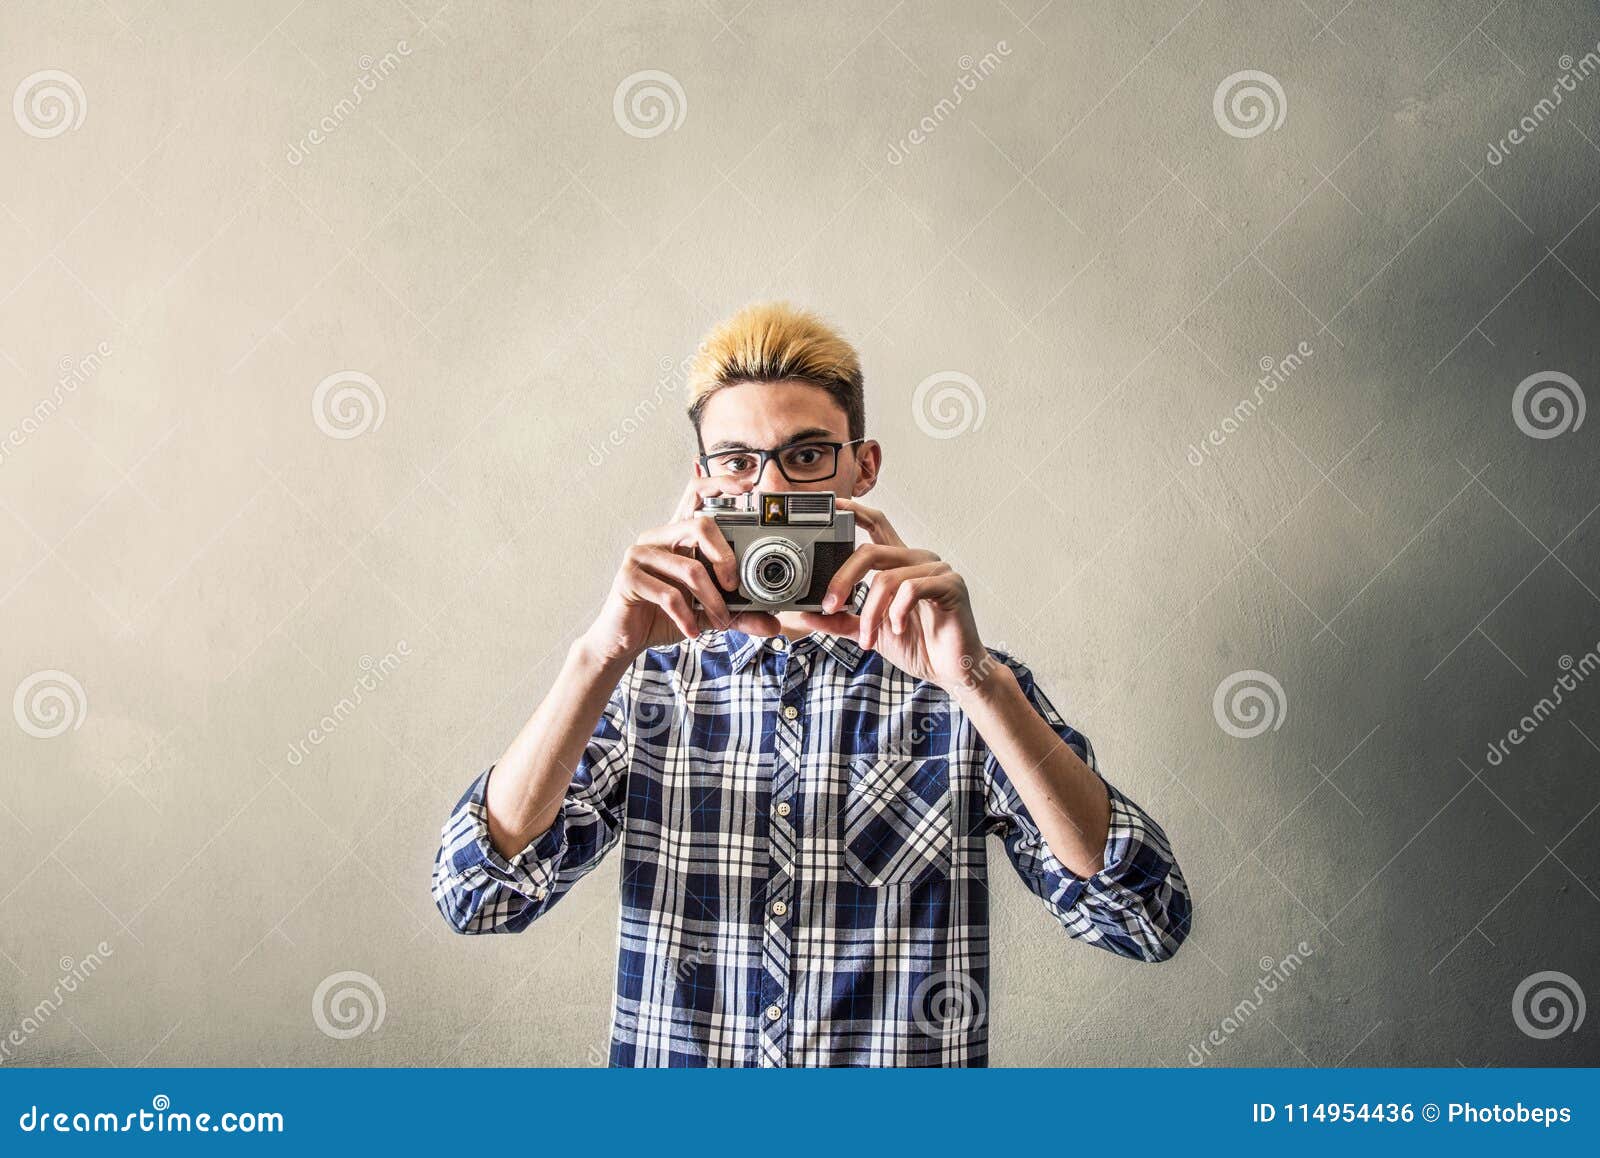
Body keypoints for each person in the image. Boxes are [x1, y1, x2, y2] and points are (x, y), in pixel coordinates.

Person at [432, 302, 1191, 1066]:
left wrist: (974, 681)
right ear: (702, 483)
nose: (769, 491)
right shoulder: (647, 684)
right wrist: (601, 653)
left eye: (804, 456)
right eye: (736, 461)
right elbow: (479, 896)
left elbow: (1144, 919)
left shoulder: (965, 687)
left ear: (863, 467)